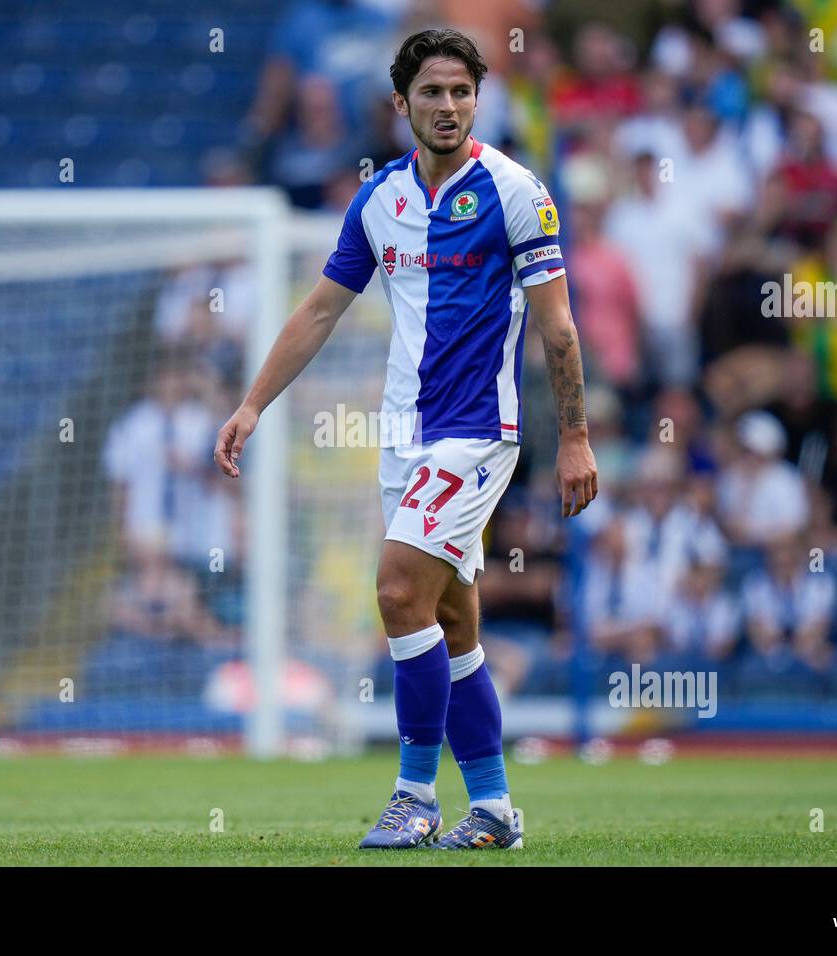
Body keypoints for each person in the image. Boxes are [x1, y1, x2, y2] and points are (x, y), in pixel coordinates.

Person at [215, 29, 598, 850]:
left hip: (479, 433)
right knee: (452, 624)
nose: (450, 106)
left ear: (478, 100)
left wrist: (574, 437)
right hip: (402, 437)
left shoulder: (515, 191)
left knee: (394, 591)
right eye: (433, 92)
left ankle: (414, 795)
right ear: (402, 104)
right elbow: (320, 310)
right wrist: (252, 405)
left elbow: (558, 328)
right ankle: (494, 810)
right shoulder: (379, 200)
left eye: (463, 91)